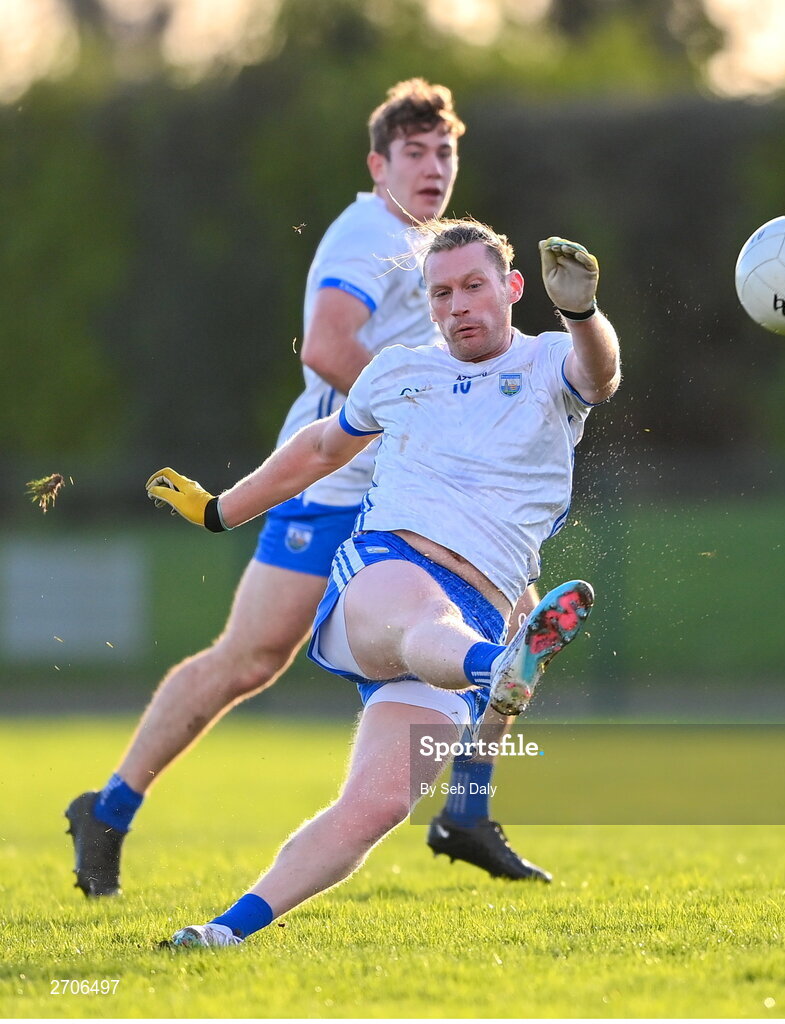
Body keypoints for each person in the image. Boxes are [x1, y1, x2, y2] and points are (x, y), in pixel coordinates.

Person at [64, 79, 549, 900]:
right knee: (250, 658)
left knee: (521, 615)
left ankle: (465, 809)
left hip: (407, 492)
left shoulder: (434, 245)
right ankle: (108, 808)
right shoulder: (368, 230)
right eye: (414, 153)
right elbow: (327, 346)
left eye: (445, 151)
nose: (433, 167)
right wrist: (424, 418)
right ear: (377, 163)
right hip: (334, 488)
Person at [145, 218, 621, 947]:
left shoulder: (552, 359)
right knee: (425, 617)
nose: (457, 305)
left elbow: (602, 375)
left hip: (478, 614)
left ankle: (222, 931)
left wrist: (583, 311)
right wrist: (217, 511)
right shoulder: (402, 367)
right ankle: (498, 668)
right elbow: (317, 448)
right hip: (384, 573)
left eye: (472, 286)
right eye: (440, 293)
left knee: (373, 810)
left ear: (512, 287)